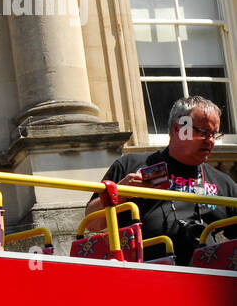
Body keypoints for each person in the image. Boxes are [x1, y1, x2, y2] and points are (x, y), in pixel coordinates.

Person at [84, 95, 237, 263]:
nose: (211, 141)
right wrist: (121, 192)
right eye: (204, 132)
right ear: (178, 129)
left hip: (204, 278)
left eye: (215, 134)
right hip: (146, 275)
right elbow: (92, 223)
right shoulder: (132, 165)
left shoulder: (223, 182)